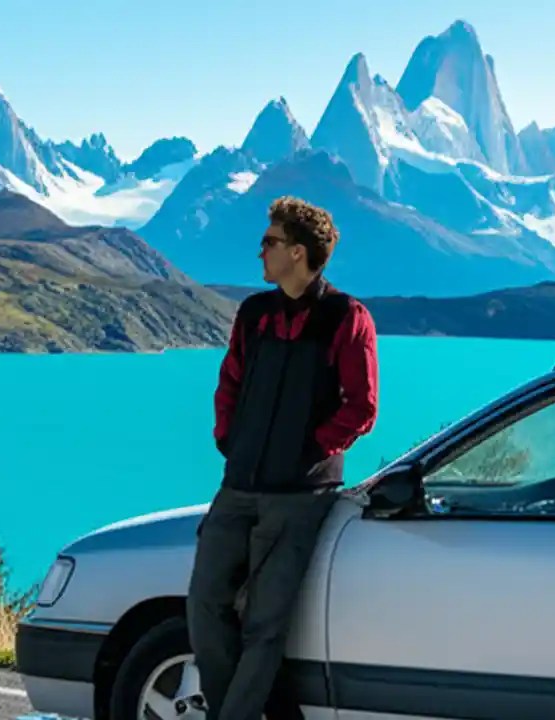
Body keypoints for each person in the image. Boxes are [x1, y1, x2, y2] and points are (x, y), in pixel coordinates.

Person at [186, 196, 379, 720]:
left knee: (265, 626)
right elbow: (229, 383)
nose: (260, 253)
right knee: (204, 607)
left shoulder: (347, 318)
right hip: (239, 485)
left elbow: (362, 407)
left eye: (269, 243)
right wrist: (230, 439)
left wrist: (310, 451)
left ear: (298, 252)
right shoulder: (255, 314)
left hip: (298, 497)